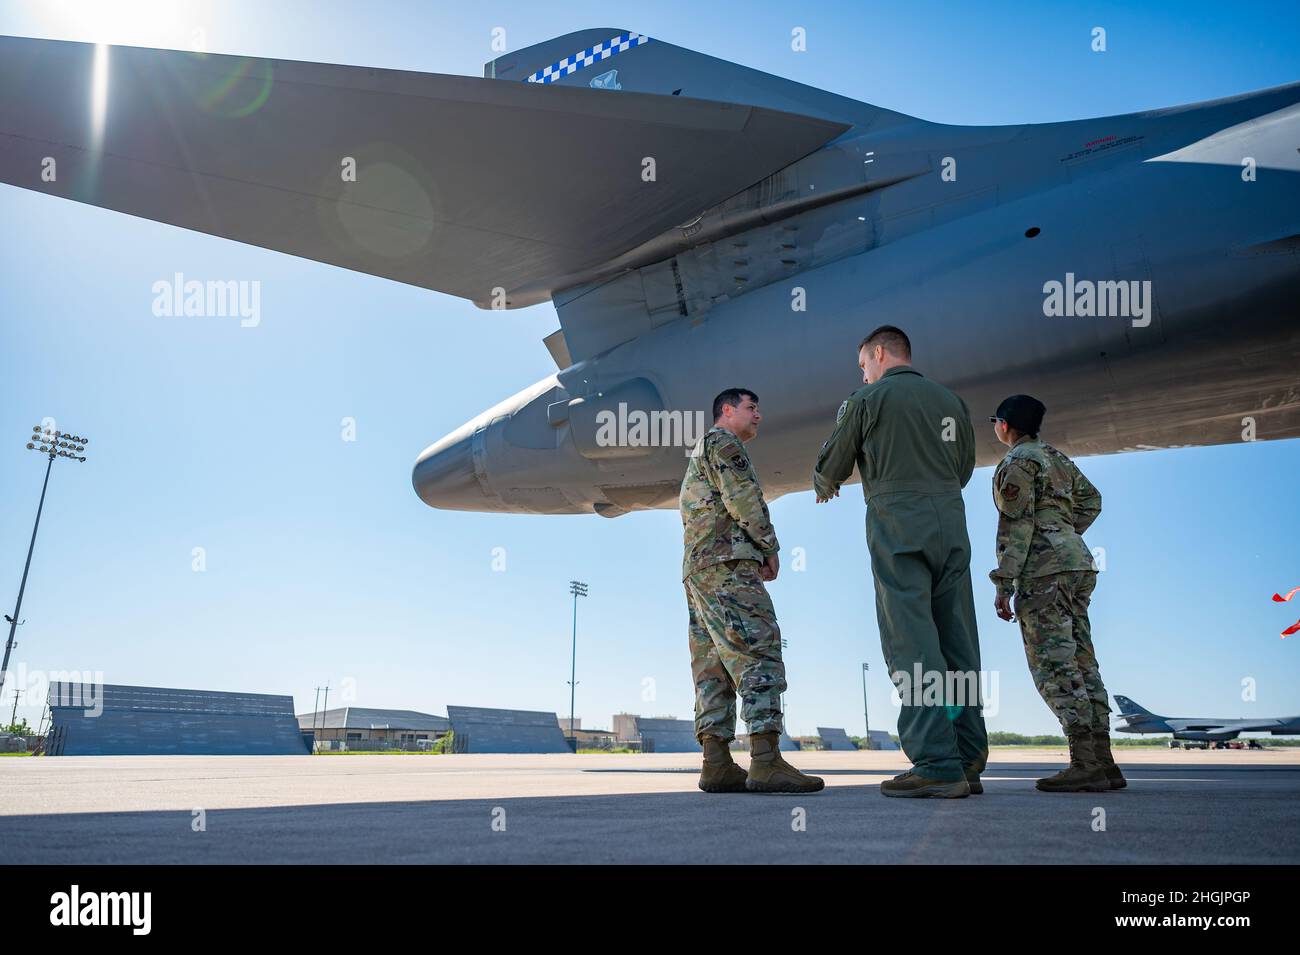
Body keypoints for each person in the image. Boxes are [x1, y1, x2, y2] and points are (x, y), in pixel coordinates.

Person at [813, 326, 987, 798]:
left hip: (899, 527)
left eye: (863, 364)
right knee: (958, 643)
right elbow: (965, 467)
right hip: (951, 526)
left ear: (879, 353)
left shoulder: (867, 400)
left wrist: (824, 482)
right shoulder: (951, 402)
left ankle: (936, 763)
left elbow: (831, 466)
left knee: (911, 643)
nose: (864, 373)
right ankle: (969, 758)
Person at [680, 387, 823, 794]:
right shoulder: (723, 443)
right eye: (751, 408)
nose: (758, 415)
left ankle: (716, 762)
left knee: (713, 667)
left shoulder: (700, 450)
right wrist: (768, 546)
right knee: (758, 651)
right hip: (728, 565)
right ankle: (765, 760)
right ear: (727, 411)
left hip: (699, 568)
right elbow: (742, 498)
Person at [988, 394, 1126, 792]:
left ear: (1005, 426)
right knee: (1082, 661)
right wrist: (1063, 531)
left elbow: (1016, 527)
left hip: (1044, 570)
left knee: (1054, 665)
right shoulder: (1057, 458)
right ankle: (1104, 762)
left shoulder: (1016, 462)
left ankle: (1084, 764)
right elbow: (1091, 500)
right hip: (1078, 565)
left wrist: (1003, 583)